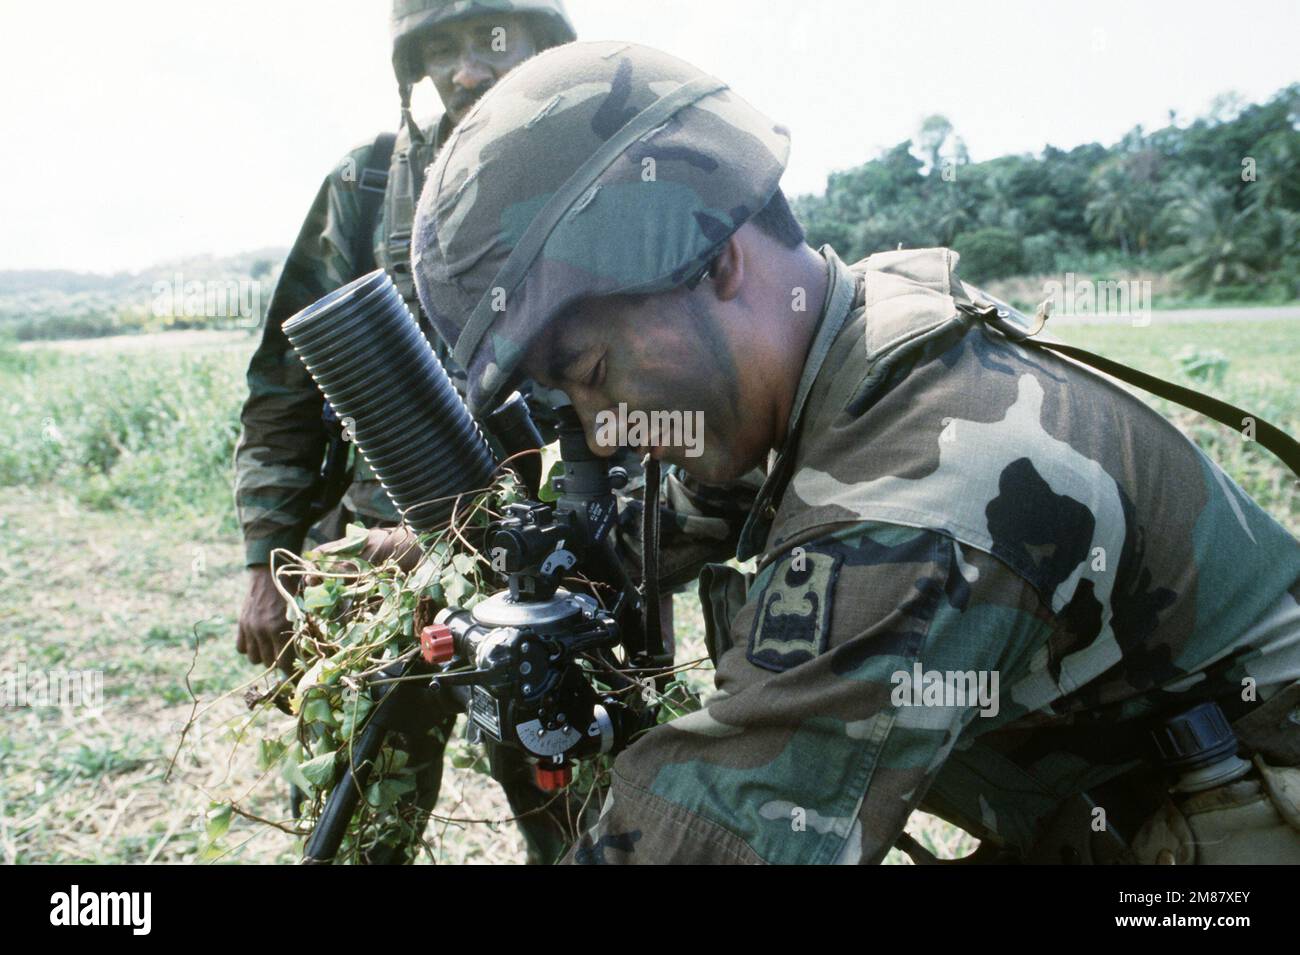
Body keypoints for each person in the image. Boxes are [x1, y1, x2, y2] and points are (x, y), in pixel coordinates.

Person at [407, 40, 1300, 863]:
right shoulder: (834, 342)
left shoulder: (924, 486)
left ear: (712, 259)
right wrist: (472, 554)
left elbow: (719, 829)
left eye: (595, 370)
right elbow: (664, 520)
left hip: (1235, 811)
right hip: (1124, 798)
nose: (606, 429)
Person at [232, 0, 581, 863]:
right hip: (378, 571)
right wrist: (265, 563)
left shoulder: (603, 182)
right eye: (443, 47)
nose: (469, 69)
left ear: (545, 46)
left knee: (587, 830)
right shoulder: (363, 188)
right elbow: (284, 388)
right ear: (414, 68)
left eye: (493, 40)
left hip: (548, 565)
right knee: (356, 827)